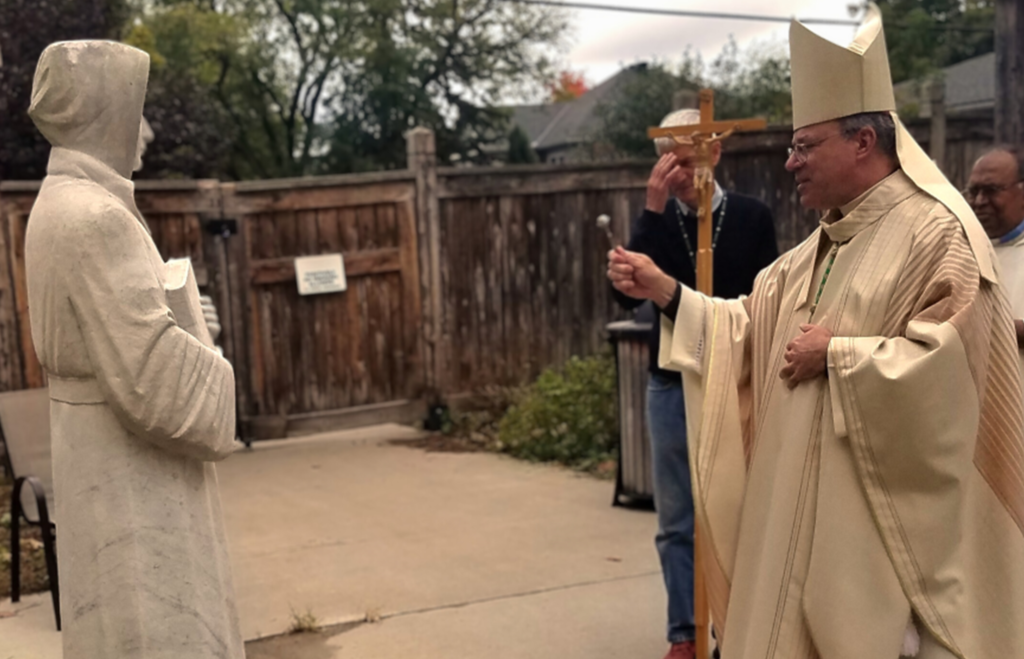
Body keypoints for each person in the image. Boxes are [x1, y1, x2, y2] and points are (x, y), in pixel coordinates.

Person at [608, 6, 1024, 659]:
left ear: (864, 141)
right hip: (796, 537)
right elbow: (748, 324)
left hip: (875, 555)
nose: (790, 161)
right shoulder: (821, 243)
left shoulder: (940, 235)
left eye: (805, 145)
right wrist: (664, 289)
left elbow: (955, 370)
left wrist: (842, 355)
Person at [25, 41, 244, 659]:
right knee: (159, 628)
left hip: (94, 445)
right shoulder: (95, 217)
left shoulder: (56, 204)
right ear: (105, 110)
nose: (144, 130)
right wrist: (204, 344)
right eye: (137, 108)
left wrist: (180, 318)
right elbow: (152, 383)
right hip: (131, 469)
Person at [611, 108, 777, 659]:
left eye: (685, 159)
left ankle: (737, 626)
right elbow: (627, 293)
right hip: (671, 381)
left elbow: (766, 302)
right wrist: (652, 209)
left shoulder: (752, 217)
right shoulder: (660, 220)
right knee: (678, 517)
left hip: (733, 380)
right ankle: (684, 632)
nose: (677, 171)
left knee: (738, 507)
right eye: (667, 161)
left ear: (716, 152)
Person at [966, 146, 1024, 347]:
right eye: (974, 192)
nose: (979, 201)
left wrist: (1002, 331)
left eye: (991, 191)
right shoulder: (960, 250)